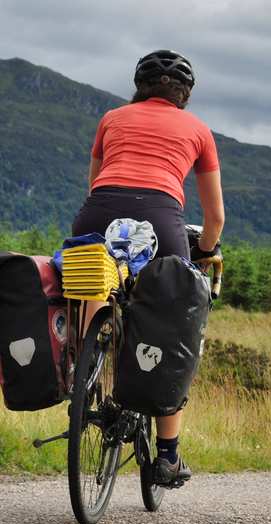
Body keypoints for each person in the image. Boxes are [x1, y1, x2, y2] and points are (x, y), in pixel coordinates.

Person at [71, 49, 225, 486]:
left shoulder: (111, 119)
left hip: (99, 210)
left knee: (93, 284)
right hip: (161, 215)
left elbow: (96, 180)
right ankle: (168, 456)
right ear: (185, 95)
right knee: (172, 325)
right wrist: (203, 250)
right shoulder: (197, 130)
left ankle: (85, 369)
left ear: (139, 87)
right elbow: (214, 218)